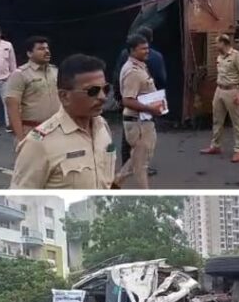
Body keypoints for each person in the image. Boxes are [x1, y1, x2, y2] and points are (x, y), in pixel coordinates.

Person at [10, 54, 116, 189]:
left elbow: (107, 180)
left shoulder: (102, 127)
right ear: (64, 96)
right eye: (92, 91)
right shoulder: (38, 143)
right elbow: (21, 196)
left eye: (105, 89)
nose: (103, 97)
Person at [117, 34, 166, 190]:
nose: (147, 51)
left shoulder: (140, 66)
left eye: (147, 47)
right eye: (143, 48)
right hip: (138, 122)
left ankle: (115, 183)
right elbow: (127, 100)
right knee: (140, 165)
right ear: (132, 50)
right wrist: (150, 108)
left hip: (143, 121)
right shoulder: (132, 72)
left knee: (137, 160)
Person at [201, 34, 239, 163]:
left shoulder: (236, 56)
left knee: (237, 122)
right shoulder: (220, 56)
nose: (215, 46)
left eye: (217, 43)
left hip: (232, 90)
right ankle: (215, 146)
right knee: (217, 119)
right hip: (220, 90)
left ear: (224, 43)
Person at [5, 36, 59, 143]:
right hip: (35, 130)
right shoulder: (20, 74)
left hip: (56, 128)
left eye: (47, 48)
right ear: (29, 53)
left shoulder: (55, 71)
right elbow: (13, 107)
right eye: (41, 49)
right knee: (34, 157)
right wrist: (20, 138)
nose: (47, 51)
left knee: (56, 158)